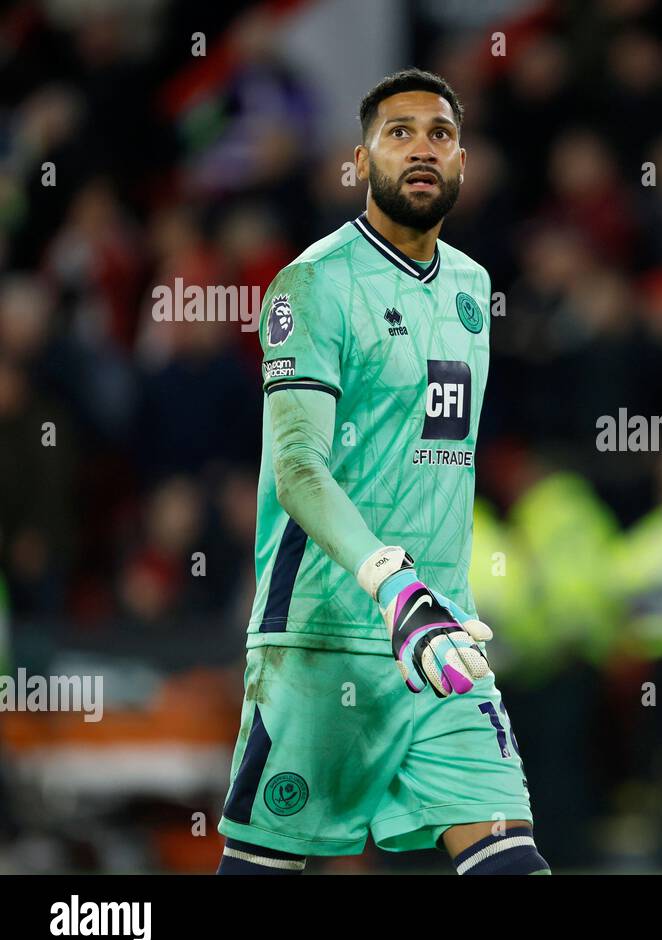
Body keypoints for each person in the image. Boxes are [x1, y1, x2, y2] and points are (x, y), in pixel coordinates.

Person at [215, 69, 547, 875]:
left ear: (464, 161)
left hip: (440, 645)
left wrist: (427, 606)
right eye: (398, 133)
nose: (421, 148)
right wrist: (394, 587)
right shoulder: (314, 284)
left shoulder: (473, 289)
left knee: (513, 863)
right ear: (360, 160)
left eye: (439, 133)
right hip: (323, 639)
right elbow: (297, 469)